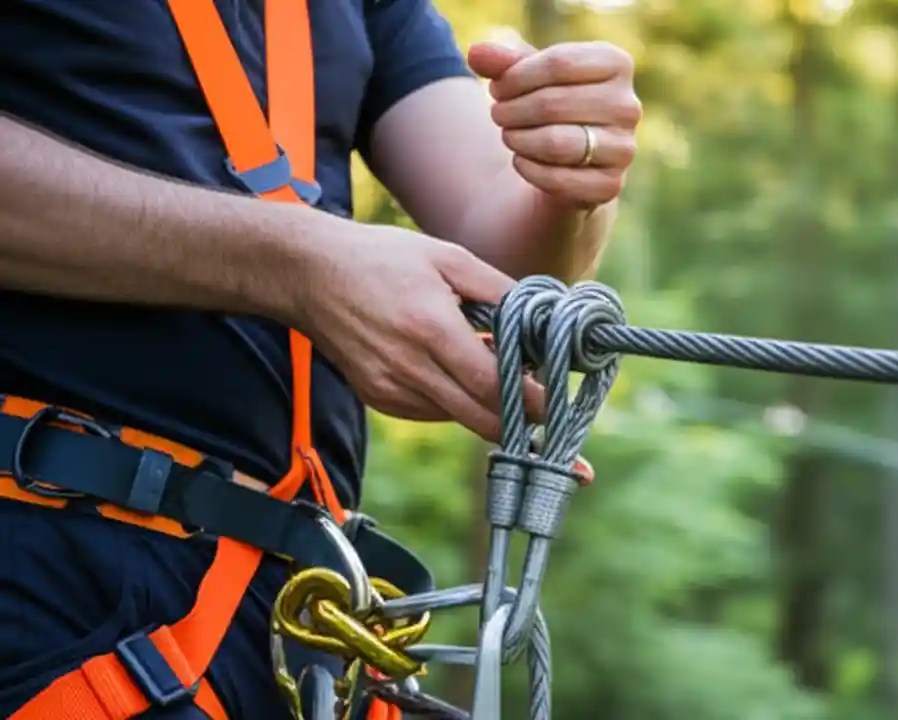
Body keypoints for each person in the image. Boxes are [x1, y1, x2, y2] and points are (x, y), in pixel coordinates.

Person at [0, 0, 641, 717]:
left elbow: (507, 250)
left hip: (287, 627)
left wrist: (572, 172)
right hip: (45, 572)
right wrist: (289, 266)